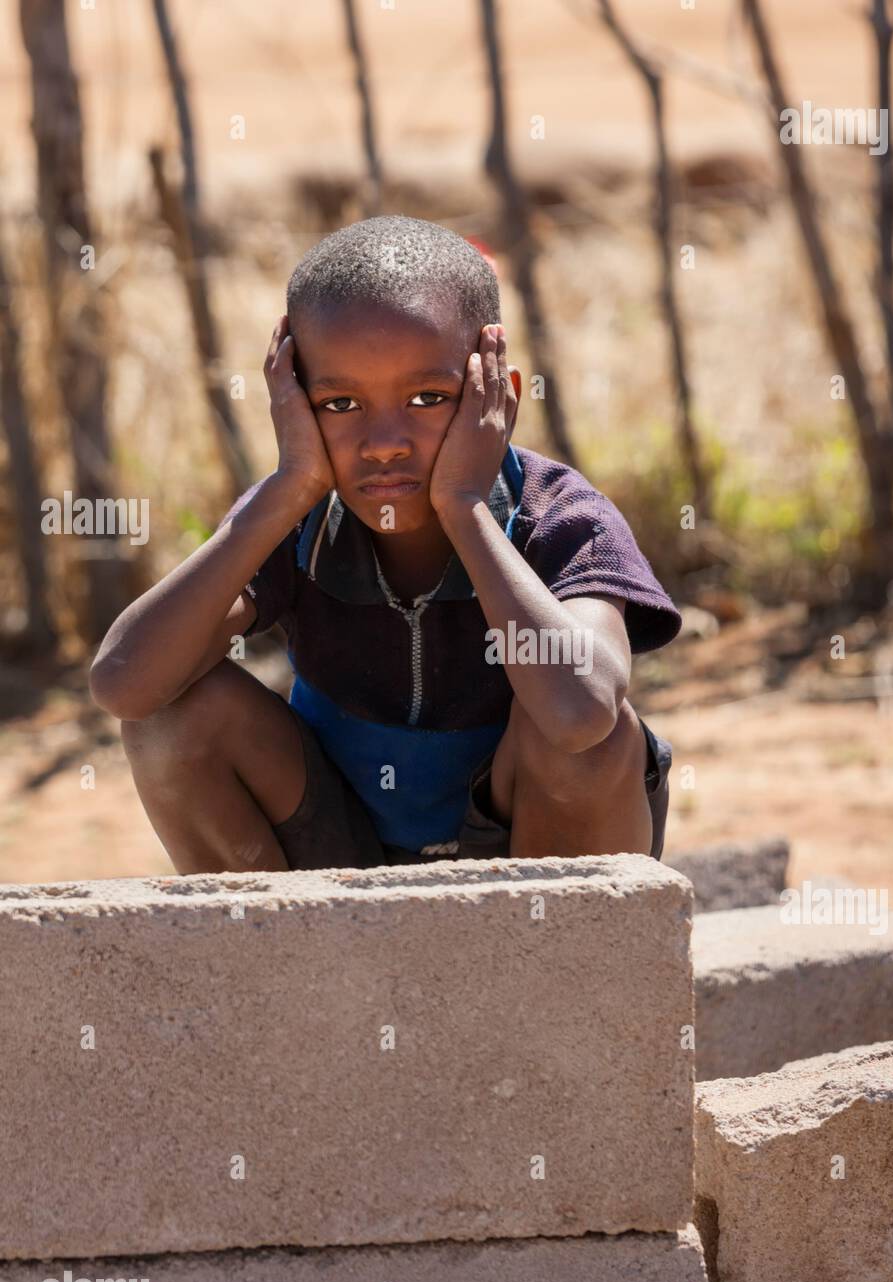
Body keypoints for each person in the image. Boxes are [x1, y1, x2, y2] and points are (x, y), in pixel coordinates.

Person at [90, 216, 682, 872]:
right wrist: (288, 488)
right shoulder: (294, 523)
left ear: (498, 399)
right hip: (341, 867)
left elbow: (580, 717)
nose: (383, 442)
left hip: (521, 864)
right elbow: (125, 686)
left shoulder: (561, 521)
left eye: (428, 397)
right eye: (340, 405)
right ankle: (272, 965)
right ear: (293, 404)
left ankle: (551, 971)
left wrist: (464, 510)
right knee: (173, 717)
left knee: (593, 742)